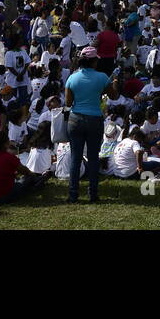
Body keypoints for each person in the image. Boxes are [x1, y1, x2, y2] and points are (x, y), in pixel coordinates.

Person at [64, 45, 116, 203]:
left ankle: (73, 195)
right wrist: (112, 83)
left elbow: (68, 102)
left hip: (75, 119)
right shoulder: (102, 77)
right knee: (93, 158)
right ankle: (93, 194)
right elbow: (113, 95)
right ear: (94, 61)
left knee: (76, 158)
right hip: (94, 119)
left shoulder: (72, 77)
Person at [0, 131, 46, 203]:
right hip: (3, 197)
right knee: (27, 179)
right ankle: (38, 180)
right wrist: (32, 174)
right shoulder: (8, 157)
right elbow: (25, 171)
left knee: (20, 180)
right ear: (5, 144)